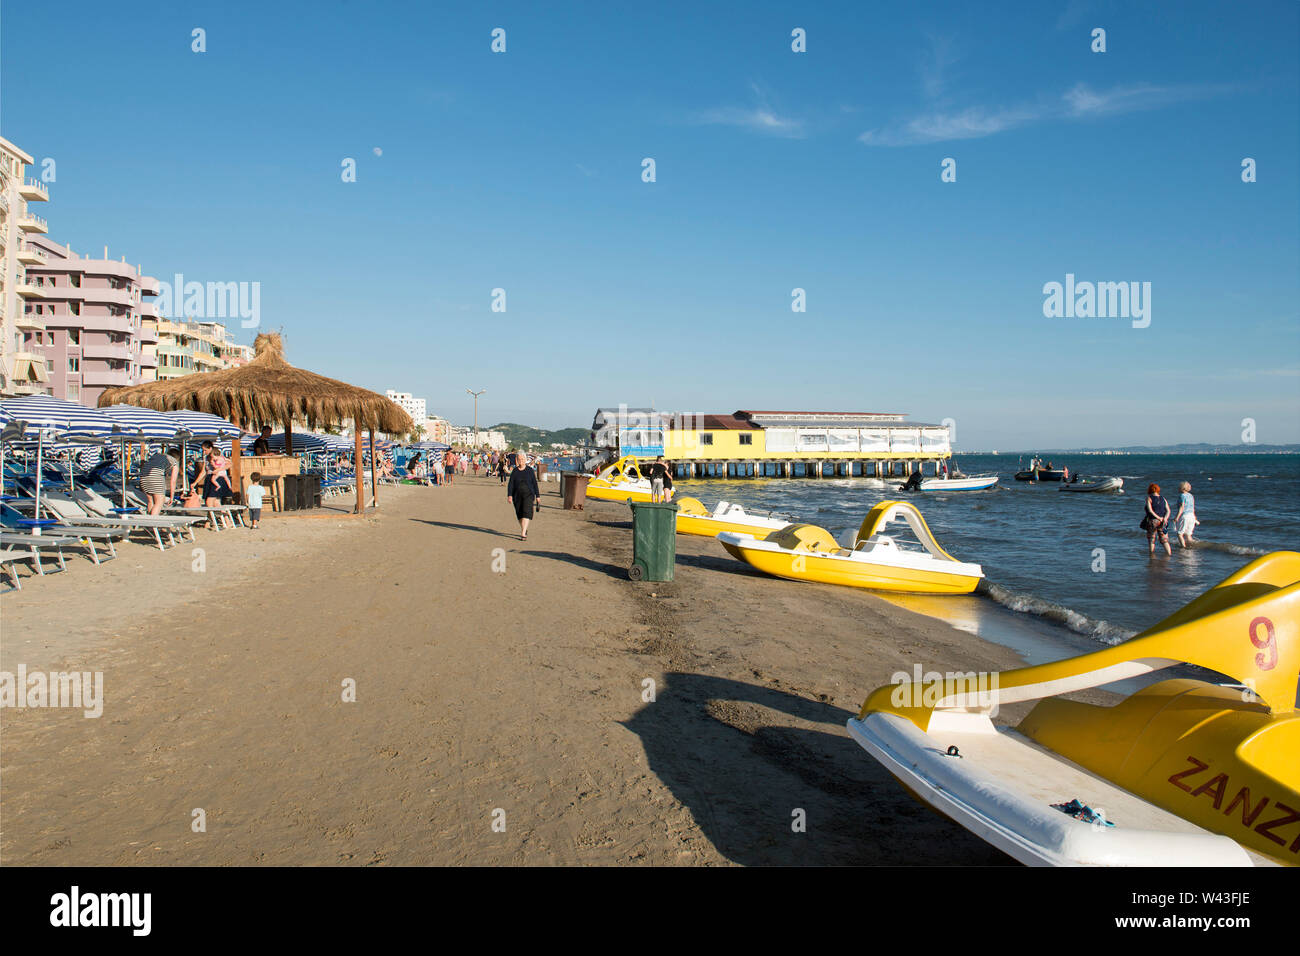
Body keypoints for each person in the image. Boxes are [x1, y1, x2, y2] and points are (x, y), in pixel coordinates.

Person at [507, 452, 540, 539]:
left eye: (522, 459)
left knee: (526, 512)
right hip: (517, 496)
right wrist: (509, 495)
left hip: (529, 495)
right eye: (519, 459)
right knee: (520, 514)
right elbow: (511, 484)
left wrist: (538, 496)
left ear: (525, 460)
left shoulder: (530, 470)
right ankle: (524, 529)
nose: (521, 461)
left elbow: (534, 484)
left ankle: (523, 533)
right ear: (517, 460)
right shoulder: (515, 471)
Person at [139, 446, 180, 515]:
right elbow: (173, 481)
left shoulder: (157, 455)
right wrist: (172, 497)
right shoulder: (174, 461)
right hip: (156, 477)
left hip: (144, 477)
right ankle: (153, 520)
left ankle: (149, 520)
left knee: (151, 501)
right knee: (159, 502)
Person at [1142, 482, 1172, 556]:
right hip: (1163, 521)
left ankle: (1151, 555)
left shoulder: (1149, 498)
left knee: (1152, 539)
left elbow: (1150, 510)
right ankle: (1169, 554)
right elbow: (1168, 510)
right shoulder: (1163, 498)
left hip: (1153, 521)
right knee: (1164, 540)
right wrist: (1165, 518)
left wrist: (1158, 518)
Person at [1174, 481, 1199, 547]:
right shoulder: (1191, 496)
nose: (1178, 488)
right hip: (1192, 516)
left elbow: (1182, 507)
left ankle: (1183, 547)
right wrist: (1195, 519)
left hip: (1185, 516)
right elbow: (1192, 507)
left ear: (1182, 488)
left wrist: (1177, 517)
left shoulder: (1182, 496)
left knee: (1179, 534)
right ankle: (1193, 546)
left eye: (1179, 487)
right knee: (1188, 535)